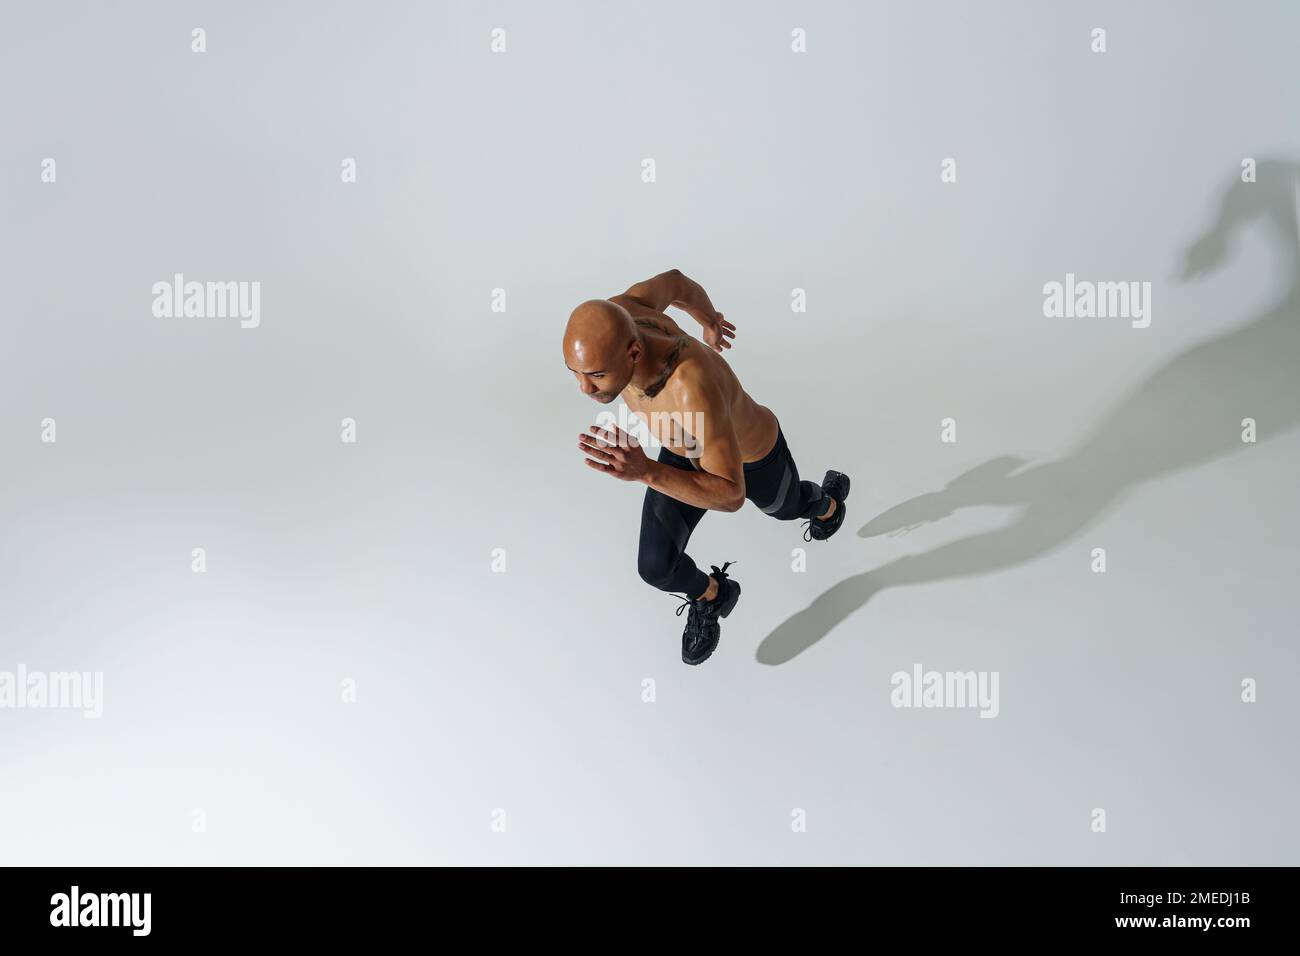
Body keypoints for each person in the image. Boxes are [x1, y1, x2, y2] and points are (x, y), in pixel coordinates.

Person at [565, 269, 851, 664]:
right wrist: (711, 320)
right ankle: (714, 594)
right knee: (655, 566)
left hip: (750, 456)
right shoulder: (624, 312)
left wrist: (646, 471)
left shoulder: (690, 385)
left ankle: (828, 503)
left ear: (633, 352)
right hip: (685, 445)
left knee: (788, 508)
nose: (585, 389)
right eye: (575, 373)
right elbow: (677, 281)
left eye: (596, 376)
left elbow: (731, 494)